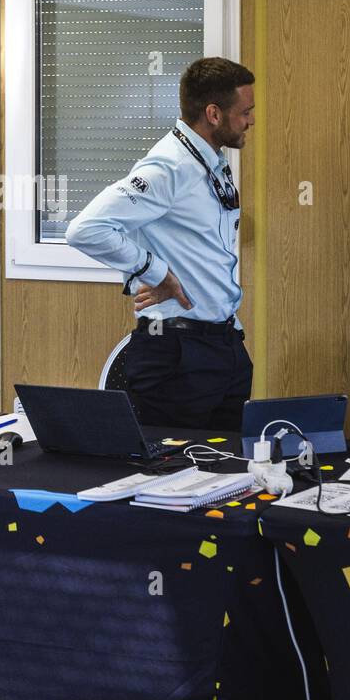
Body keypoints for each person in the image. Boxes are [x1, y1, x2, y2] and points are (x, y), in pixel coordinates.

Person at [66, 57, 256, 431]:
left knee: (231, 472)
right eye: (245, 112)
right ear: (214, 113)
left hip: (224, 345)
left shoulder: (212, 162)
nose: (251, 120)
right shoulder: (169, 167)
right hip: (177, 355)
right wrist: (156, 271)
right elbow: (86, 229)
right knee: (172, 478)